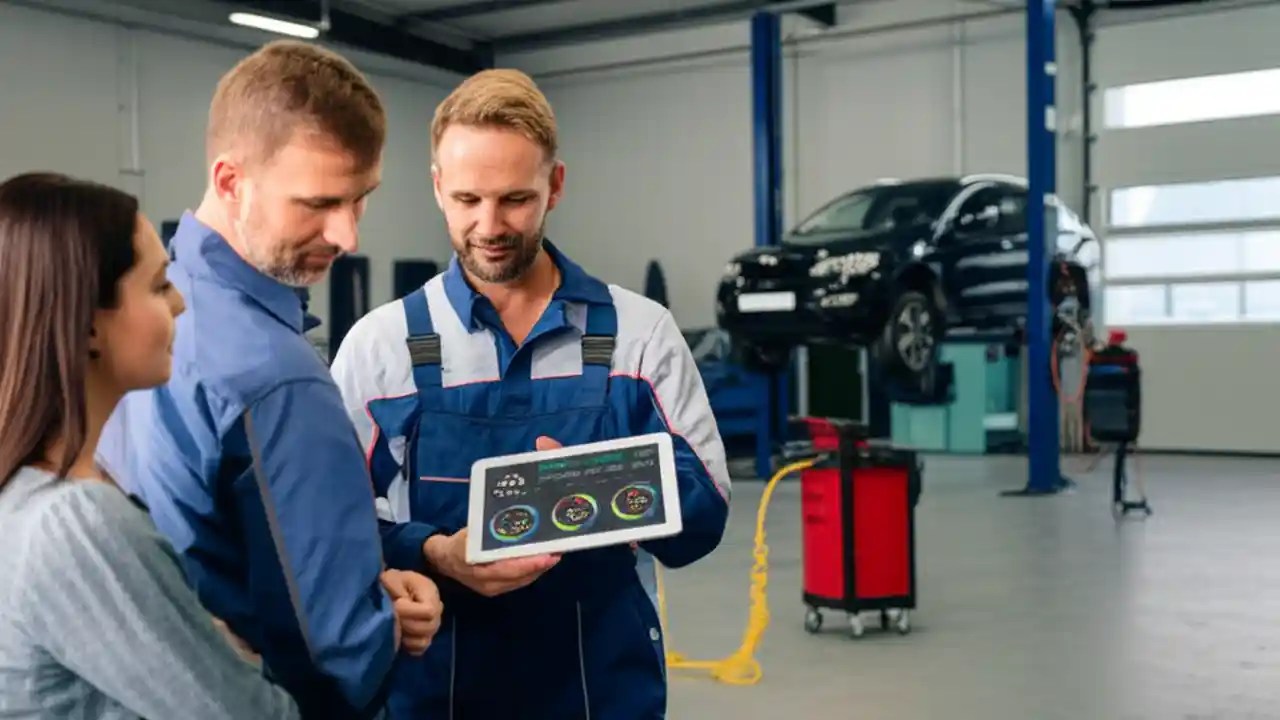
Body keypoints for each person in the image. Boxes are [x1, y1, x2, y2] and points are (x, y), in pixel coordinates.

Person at [330, 68, 732, 719]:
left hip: (602, 693)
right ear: (437, 187)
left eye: (515, 199)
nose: (488, 224)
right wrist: (434, 552)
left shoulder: (638, 335)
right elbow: (330, 524)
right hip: (435, 697)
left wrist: (590, 488)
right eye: (466, 200)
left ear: (556, 186)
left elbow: (705, 514)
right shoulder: (381, 349)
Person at [96, 40, 442, 719]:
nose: (346, 235)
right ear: (230, 181)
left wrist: (368, 584)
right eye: (317, 203)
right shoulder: (279, 380)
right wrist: (380, 624)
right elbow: (336, 655)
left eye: (360, 199)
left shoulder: (143, 316)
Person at [0, 171, 300, 718]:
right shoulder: (75, 522)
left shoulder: (37, 494)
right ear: (89, 326)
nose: (180, 303)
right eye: (159, 285)